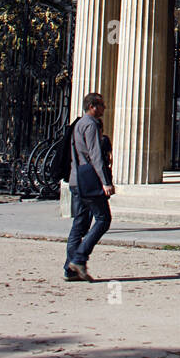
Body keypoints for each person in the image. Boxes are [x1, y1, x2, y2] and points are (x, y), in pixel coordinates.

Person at [64, 92, 115, 281]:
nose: (104, 108)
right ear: (92, 106)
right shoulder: (91, 125)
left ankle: (70, 269)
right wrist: (106, 182)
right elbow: (95, 156)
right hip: (89, 181)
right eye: (101, 105)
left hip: (76, 179)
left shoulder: (78, 123)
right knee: (103, 219)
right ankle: (78, 259)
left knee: (79, 224)